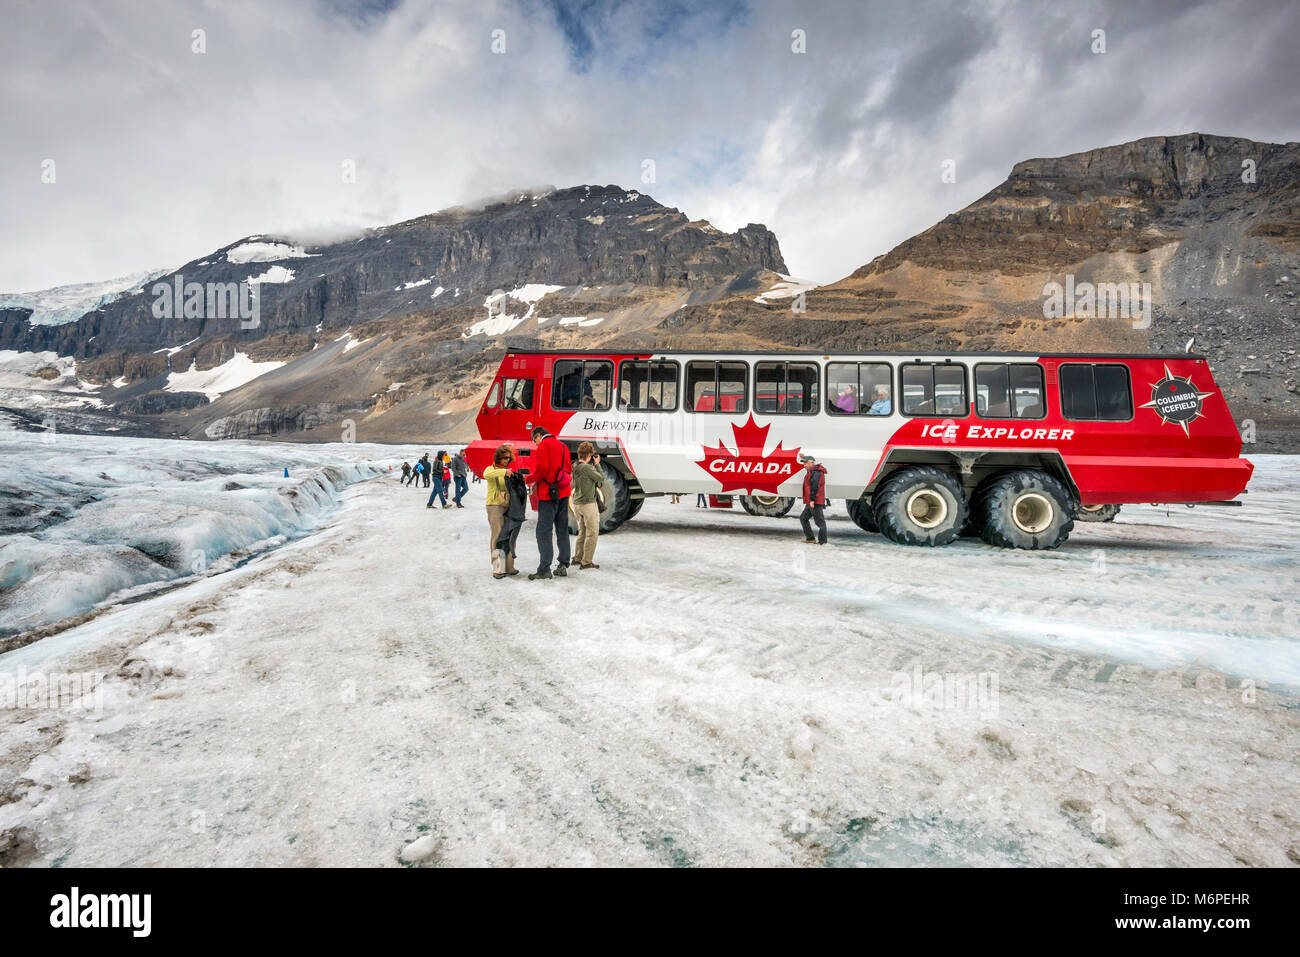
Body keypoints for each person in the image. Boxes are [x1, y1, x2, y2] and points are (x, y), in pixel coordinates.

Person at [525, 426, 572, 580]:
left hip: (547, 494)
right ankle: (563, 564)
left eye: (534, 440)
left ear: (539, 435)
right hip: (563, 493)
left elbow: (542, 468)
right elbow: (568, 469)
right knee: (562, 528)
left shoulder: (544, 445)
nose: (535, 444)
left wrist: (529, 479)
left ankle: (545, 568)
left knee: (543, 531)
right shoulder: (563, 446)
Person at [570, 442, 610, 570]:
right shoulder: (587, 468)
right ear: (589, 455)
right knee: (592, 532)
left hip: (576, 504)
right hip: (587, 504)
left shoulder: (575, 465)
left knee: (582, 531)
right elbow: (601, 478)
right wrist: (597, 465)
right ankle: (586, 562)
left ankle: (577, 558)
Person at [484, 444, 519, 578]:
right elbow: (486, 474)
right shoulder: (491, 469)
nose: (507, 461)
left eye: (509, 458)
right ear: (498, 457)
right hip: (495, 506)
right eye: (505, 458)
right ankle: (498, 569)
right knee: (497, 537)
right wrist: (504, 472)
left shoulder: (508, 470)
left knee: (510, 537)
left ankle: (510, 567)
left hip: (509, 507)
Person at [799, 454, 828, 545]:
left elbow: (815, 487)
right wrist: (803, 457)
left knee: (820, 522)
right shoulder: (812, 471)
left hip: (815, 501)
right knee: (803, 518)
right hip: (811, 501)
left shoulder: (817, 472)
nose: (804, 466)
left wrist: (812, 500)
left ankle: (822, 542)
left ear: (811, 463)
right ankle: (810, 538)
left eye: (805, 463)